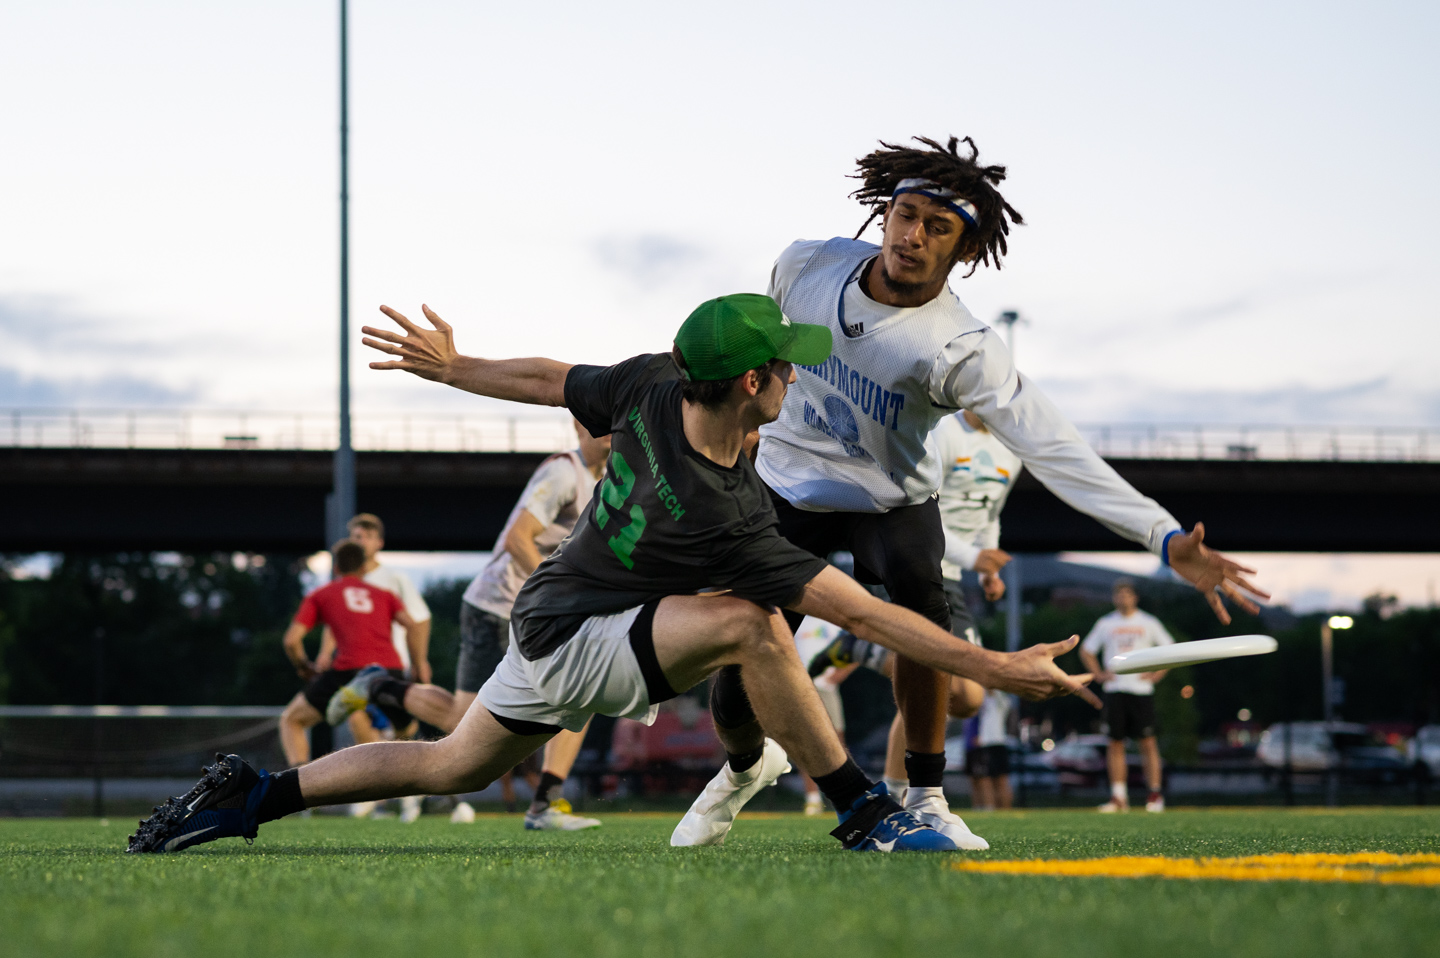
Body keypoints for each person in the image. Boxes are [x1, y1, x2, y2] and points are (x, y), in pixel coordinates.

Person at [128, 293, 1100, 856]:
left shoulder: (653, 382)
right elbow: (865, 611)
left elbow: (551, 377)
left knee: (450, 760)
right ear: (753, 386)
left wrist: (454, 368)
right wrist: (1009, 671)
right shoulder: (726, 515)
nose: (801, 377)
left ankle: (250, 794)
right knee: (754, 627)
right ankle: (864, 811)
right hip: (576, 636)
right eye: (787, 368)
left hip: (553, 621)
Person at [678, 135, 1266, 850]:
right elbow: (756, 356)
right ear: (884, 213)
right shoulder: (805, 264)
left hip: (890, 502)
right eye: (906, 214)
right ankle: (745, 765)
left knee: (924, 611)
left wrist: (1163, 536)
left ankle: (924, 793)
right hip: (785, 489)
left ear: (964, 249)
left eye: (938, 227)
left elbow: (1052, 443)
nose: (913, 236)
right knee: (736, 659)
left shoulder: (961, 346)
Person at [806, 409, 1019, 809]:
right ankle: (896, 793)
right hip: (928, 566)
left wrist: (987, 564)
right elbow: (923, 512)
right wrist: (976, 558)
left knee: (967, 699)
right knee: (936, 676)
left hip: (961, 574)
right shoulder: (942, 434)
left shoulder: (1012, 451)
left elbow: (989, 516)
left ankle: (867, 650)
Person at [449, 419, 612, 830]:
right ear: (579, 424)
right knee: (462, 725)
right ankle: (386, 689)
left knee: (584, 687)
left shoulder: (612, 478)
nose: (617, 427)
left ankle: (545, 803)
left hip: (537, 613)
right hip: (495, 605)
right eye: (604, 419)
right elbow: (517, 540)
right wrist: (559, 591)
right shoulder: (561, 472)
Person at [276, 541, 454, 769]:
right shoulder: (385, 595)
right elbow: (411, 625)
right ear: (364, 568)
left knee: (292, 721)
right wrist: (418, 662)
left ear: (336, 568)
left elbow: (291, 640)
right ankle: (409, 787)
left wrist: (302, 666)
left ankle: (299, 790)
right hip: (388, 669)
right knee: (407, 733)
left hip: (347, 672)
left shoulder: (321, 595)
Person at [1079, 578, 1174, 812]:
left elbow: (1170, 649)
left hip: (1141, 691)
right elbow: (1087, 650)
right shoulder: (1106, 623)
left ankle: (1154, 795)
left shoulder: (1148, 622)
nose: (1122, 598)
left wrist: (1157, 674)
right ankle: (1119, 798)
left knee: (1148, 743)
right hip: (1115, 690)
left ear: (1135, 597)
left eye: (1126, 594)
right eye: (1118, 594)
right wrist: (1098, 674)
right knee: (1115, 743)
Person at [966, 689, 1013, 811]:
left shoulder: (1000, 697)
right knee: (982, 779)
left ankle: (1000, 810)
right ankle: (987, 809)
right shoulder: (982, 696)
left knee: (997, 781)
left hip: (994, 743)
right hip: (983, 743)